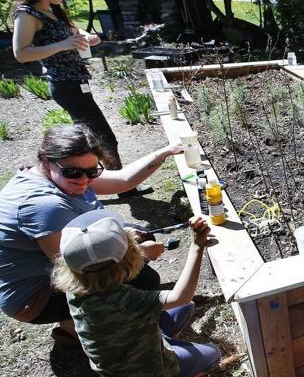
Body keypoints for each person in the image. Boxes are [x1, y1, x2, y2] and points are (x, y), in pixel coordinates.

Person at [0, 125, 183, 340]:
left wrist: (166, 151)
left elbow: (124, 180)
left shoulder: (62, 175)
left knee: (140, 236)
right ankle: (104, 332)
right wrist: (139, 254)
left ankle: (80, 322)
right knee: (144, 279)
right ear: (46, 161)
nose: (84, 180)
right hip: (36, 298)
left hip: (53, 267)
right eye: (73, 172)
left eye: (93, 171)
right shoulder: (45, 206)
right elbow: (81, 269)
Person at [51, 210, 220, 377]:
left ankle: (164, 348)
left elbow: (101, 266)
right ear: (129, 256)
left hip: (115, 359)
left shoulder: (75, 288)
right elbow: (182, 295)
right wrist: (197, 246)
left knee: (186, 309)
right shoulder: (127, 300)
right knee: (213, 353)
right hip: (146, 372)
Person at [11, 0, 143, 189]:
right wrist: (63, 45)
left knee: (93, 137)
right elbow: (21, 53)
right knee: (102, 137)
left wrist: (87, 36)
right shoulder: (27, 14)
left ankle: (86, 181)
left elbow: (74, 30)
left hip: (77, 82)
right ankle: (120, 186)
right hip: (65, 85)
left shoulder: (52, 10)